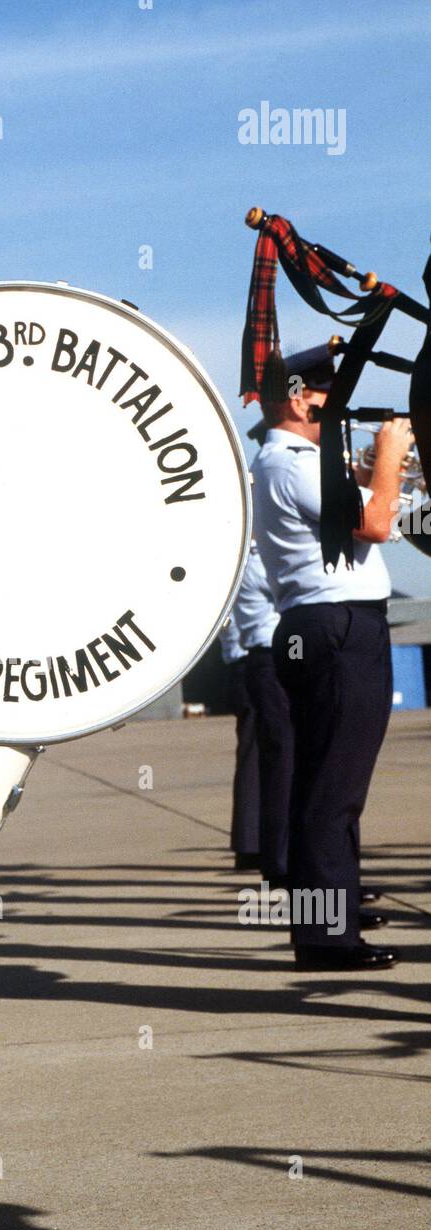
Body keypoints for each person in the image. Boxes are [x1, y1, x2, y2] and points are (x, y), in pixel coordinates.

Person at [250, 345, 406, 971]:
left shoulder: (294, 460)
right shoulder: (289, 462)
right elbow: (373, 525)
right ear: (297, 398)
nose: (335, 407)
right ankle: (324, 938)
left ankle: (330, 918)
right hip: (338, 626)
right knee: (333, 790)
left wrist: (378, 466)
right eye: (325, 395)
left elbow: (362, 498)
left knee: (328, 784)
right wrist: (391, 457)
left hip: (327, 624)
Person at [231, 540, 291, 888]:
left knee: (272, 759)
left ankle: (266, 849)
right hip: (268, 658)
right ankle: (274, 855)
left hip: (266, 659)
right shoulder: (254, 562)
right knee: (279, 760)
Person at [217, 618, 260, 872]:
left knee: (252, 757)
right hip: (251, 658)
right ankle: (251, 845)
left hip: (240, 665)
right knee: (256, 758)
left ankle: (250, 844)